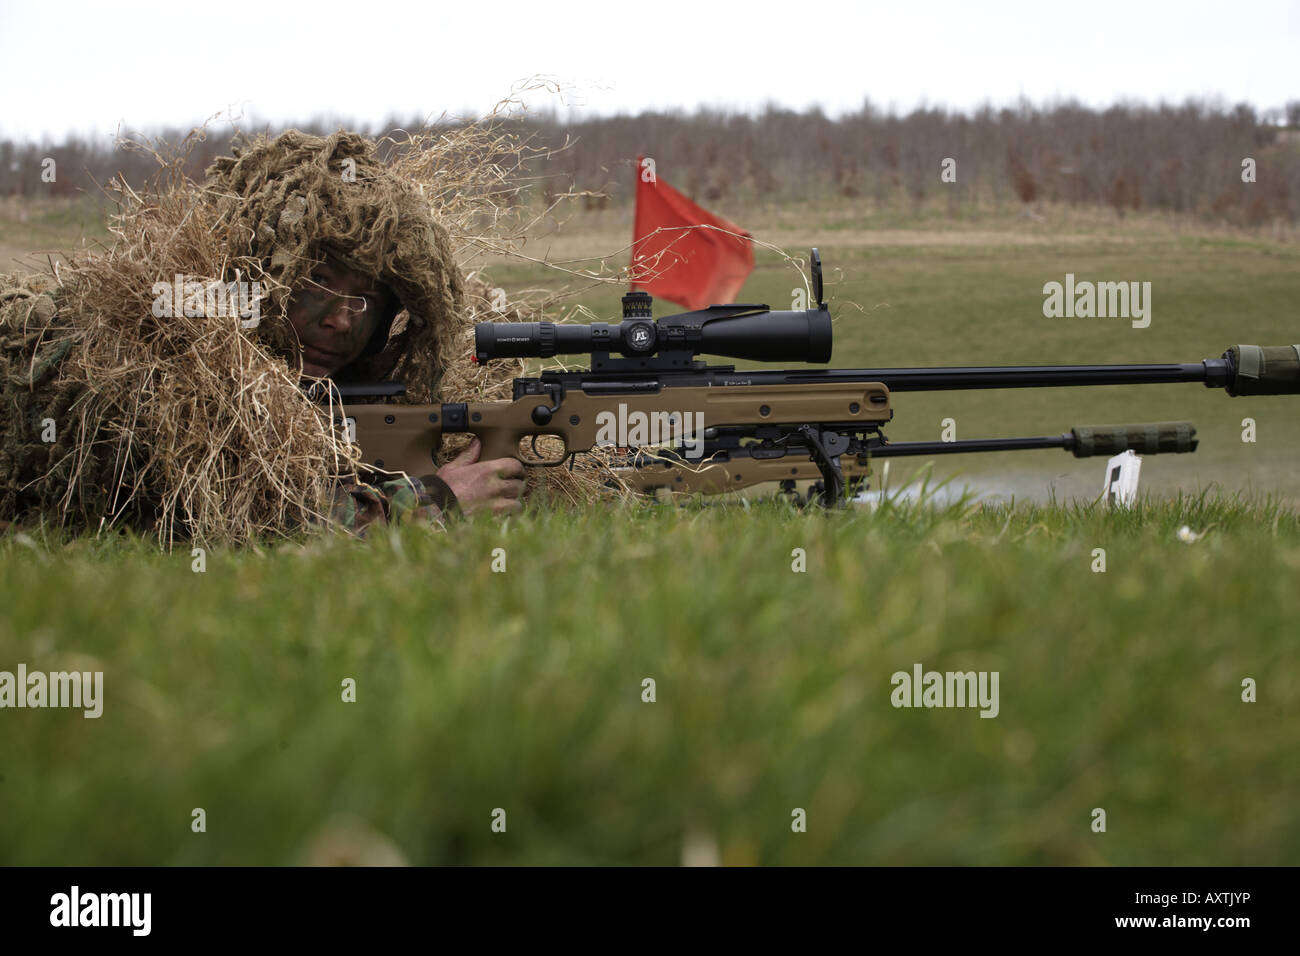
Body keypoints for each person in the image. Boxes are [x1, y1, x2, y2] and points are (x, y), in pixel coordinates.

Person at [286, 255, 526, 524]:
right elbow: (276, 520)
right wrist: (436, 502)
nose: (341, 321)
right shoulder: (232, 398)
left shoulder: (370, 395)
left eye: (367, 298)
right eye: (318, 282)